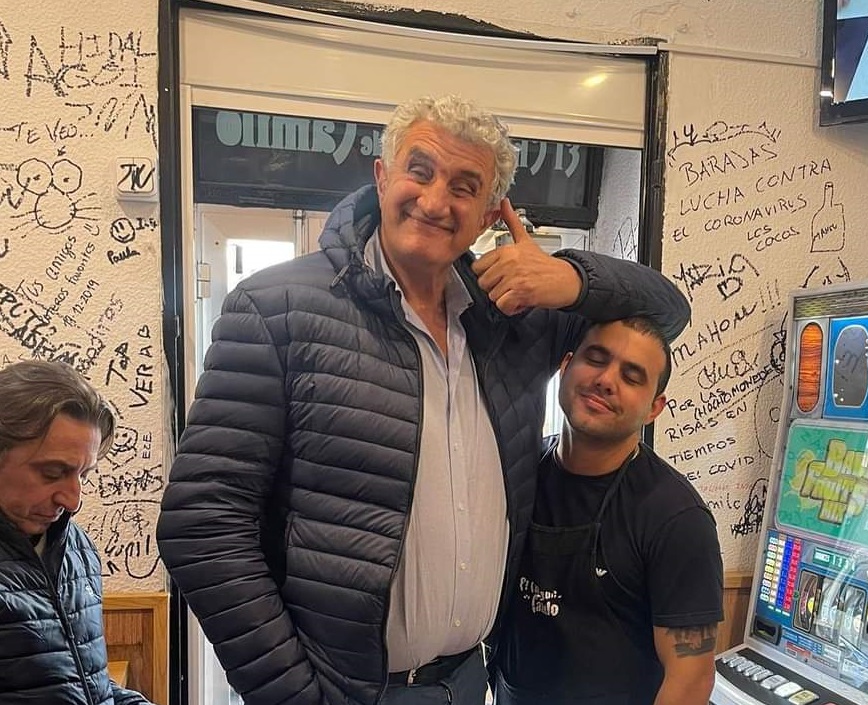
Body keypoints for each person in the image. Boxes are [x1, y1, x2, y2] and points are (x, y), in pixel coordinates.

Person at [156, 94, 691, 705]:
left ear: (491, 213)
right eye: (420, 170)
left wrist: (569, 280)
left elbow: (667, 311)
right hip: (344, 691)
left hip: (468, 683)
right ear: (382, 177)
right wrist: (291, 694)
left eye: (465, 186)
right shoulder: (278, 309)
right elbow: (202, 524)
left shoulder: (514, 322)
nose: (436, 201)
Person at [493, 317, 723, 705]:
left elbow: (691, 678)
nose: (606, 380)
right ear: (565, 367)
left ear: (654, 408)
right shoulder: (517, 473)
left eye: (632, 377)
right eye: (595, 359)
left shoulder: (676, 517)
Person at [0, 360, 154, 705]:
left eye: (84, 474)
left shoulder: (76, 548)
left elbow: (87, 685)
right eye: (53, 472)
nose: (72, 501)